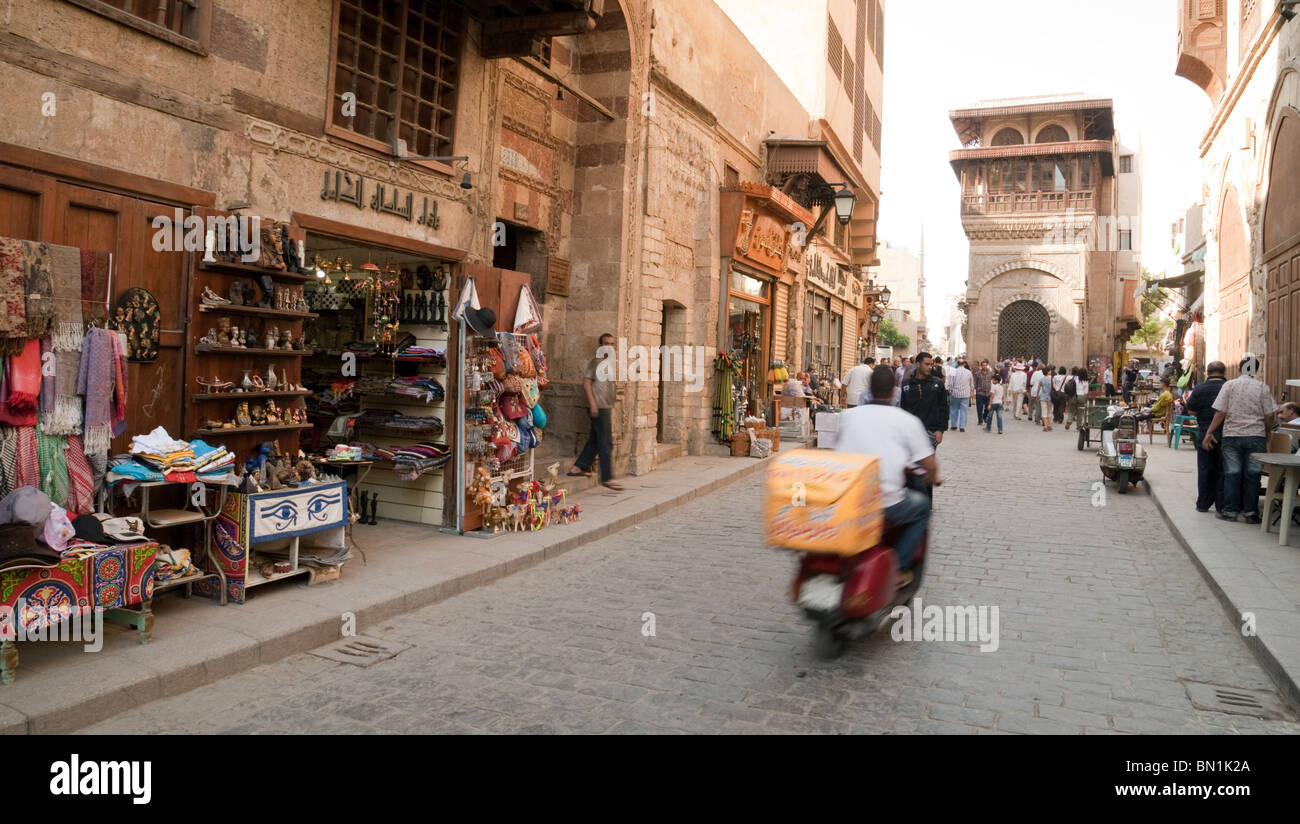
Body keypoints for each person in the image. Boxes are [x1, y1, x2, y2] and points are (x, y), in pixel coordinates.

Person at [836, 366, 937, 587]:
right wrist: (934, 477)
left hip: (847, 499)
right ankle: (899, 567)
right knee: (922, 508)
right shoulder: (907, 421)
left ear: (869, 389)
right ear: (894, 391)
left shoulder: (847, 416)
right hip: (886, 502)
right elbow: (929, 463)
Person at [1203, 355, 1277, 524]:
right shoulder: (1262, 387)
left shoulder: (1229, 385)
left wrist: (1209, 432)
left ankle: (1230, 511)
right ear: (1256, 370)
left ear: (1239, 368)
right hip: (1255, 436)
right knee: (1253, 474)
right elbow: (1269, 414)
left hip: (1232, 436)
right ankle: (1251, 513)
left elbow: (1220, 412)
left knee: (1232, 473)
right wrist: (1267, 430)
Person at [570, 332, 622, 491]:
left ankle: (578, 467)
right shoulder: (596, 362)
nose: (609, 346)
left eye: (612, 344)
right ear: (600, 346)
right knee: (606, 443)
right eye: (606, 343)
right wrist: (592, 405)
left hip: (606, 406)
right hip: (598, 407)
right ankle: (607, 478)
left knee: (595, 440)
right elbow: (586, 383)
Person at [1184, 361, 1227, 514]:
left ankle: (1203, 503)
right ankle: (1221, 506)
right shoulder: (1228, 387)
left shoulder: (1199, 388)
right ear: (1224, 372)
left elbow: (1191, 411)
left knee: (1205, 468)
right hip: (1225, 433)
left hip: (1204, 432)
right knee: (1223, 469)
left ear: (1208, 372)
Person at [900, 351, 949, 449]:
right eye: (927, 364)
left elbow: (944, 407)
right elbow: (903, 408)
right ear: (918, 364)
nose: (930, 367)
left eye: (931, 364)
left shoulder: (937, 384)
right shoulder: (907, 384)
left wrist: (940, 430)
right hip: (911, 433)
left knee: (927, 463)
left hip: (930, 433)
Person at [946, 358, 974, 432]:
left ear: (957, 364)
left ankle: (954, 425)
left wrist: (950, 391)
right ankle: (962, 427)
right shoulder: (969, 372)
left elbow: (950, 383)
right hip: (965, 394)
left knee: (953, 409)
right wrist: (971, 392)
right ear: (964, 364)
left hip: (955, 394)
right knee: (963, 410)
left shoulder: (953, 372)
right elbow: (972, 384)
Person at [1034, 366, 1055, 431]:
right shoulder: (1052, 379)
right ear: (1048, 372)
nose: (1051, 371)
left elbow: (1038, 388)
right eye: (1050, 370)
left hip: (1043, 397)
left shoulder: (1041, 379)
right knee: (1049, 412)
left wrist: (1037, 395)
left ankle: (1045, 426)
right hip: (1050, 397)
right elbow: (1054, 387)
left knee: (1044, 411)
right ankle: (1049, 425)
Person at [974, 360, 993, 427]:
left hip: (988, 393)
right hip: (980, 393)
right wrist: (975, 391)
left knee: (987, 407)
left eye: (985, 365)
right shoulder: (977, 374)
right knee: (979, 407)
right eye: (983, 365)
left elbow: (993, 381)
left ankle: (984, 416)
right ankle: (980, 420)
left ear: (987, 365)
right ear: (981, 366)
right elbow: (975, 383)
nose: (984, 366)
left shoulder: (990, 373)